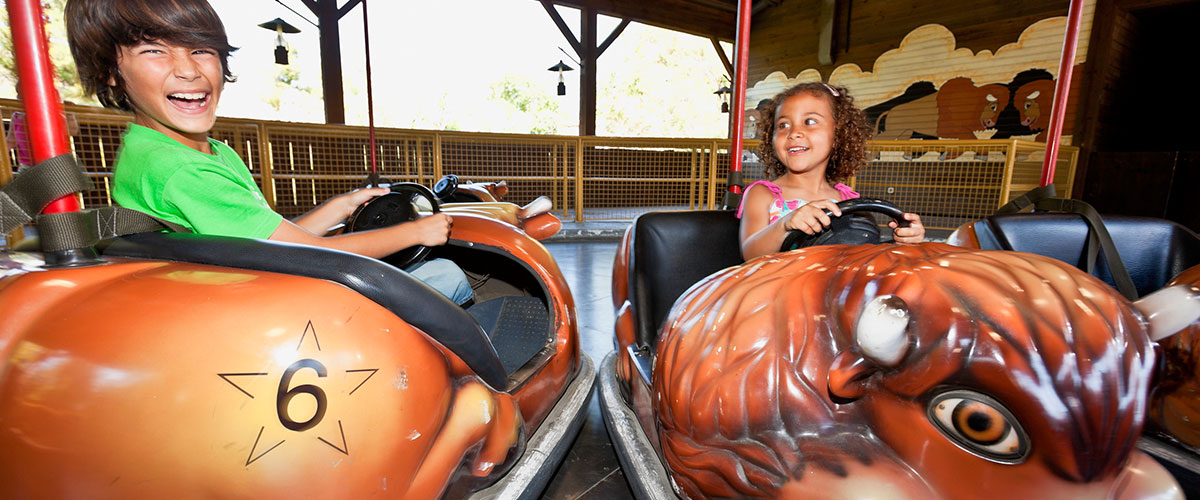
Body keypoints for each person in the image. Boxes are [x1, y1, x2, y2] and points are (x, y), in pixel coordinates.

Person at [64, 0, 473, 305]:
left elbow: (272, 240)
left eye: (200, 50)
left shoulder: (187, 152)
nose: (188, 69)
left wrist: (342, 206)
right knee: (446, 273)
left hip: (252, 287)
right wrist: (415, 232)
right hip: (261, 306)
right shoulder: (178, 170)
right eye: (154, 50)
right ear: (110, 74)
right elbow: (310, 256)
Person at [737, 82, 924, 260]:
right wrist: (784, 226)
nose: (793, 132)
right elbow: (750, 254)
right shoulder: (763, 194)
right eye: (783, 125)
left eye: (809, 121)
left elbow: (860, 254)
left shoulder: (847, 200)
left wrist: (903, 241)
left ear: (838, 135)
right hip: (777, 288)